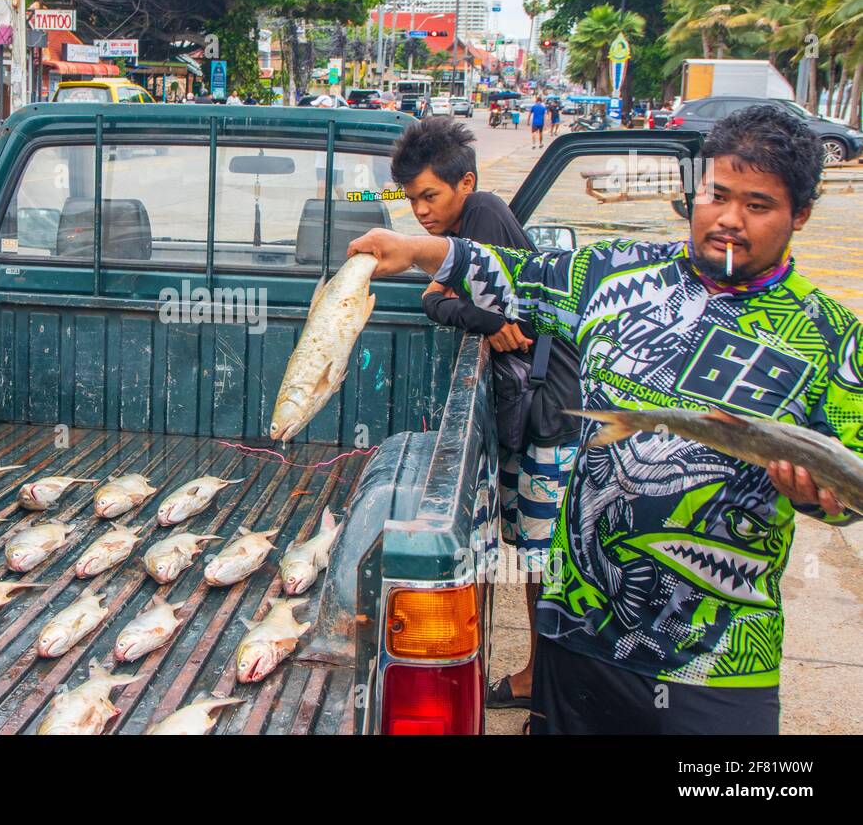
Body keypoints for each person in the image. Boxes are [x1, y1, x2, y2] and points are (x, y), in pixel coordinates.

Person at [348, 104, 862, 735]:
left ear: (800, 216)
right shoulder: (615, 272)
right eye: (717, 195)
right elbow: (517, 276)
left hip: (717, 663)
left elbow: (849, 485)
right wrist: (415, 248)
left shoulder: (831, 338)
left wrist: (822, 502)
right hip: (580, 630)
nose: (729, 219)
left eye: (758, 205)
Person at [391, 117, 582, 710]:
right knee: (529, 555)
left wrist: (466, 310)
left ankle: (549, 684)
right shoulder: (462, 228)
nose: (421, 212)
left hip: (548, 413)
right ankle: (540, 673)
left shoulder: (485, 217)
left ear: (465, 183)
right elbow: (440, 301)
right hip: (527, 410)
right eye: (412, 200)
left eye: (431, 196)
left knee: (543, 559)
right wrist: (465, 311)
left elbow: (504, 315)